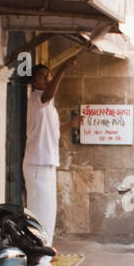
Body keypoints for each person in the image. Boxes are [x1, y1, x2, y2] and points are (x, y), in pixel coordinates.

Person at [23, 54, 78, 245]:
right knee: (40, 211)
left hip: (46, 161)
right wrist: (62, 69)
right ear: (33, 81)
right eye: (42, 76)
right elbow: (49, 93)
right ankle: (39, 259)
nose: (46, 79)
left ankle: (45, 251)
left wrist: (70, 125)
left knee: (48, 210)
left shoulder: (48, 105)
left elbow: (53, 131)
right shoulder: (37, 99)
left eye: (48, 75)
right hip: (37, 163)